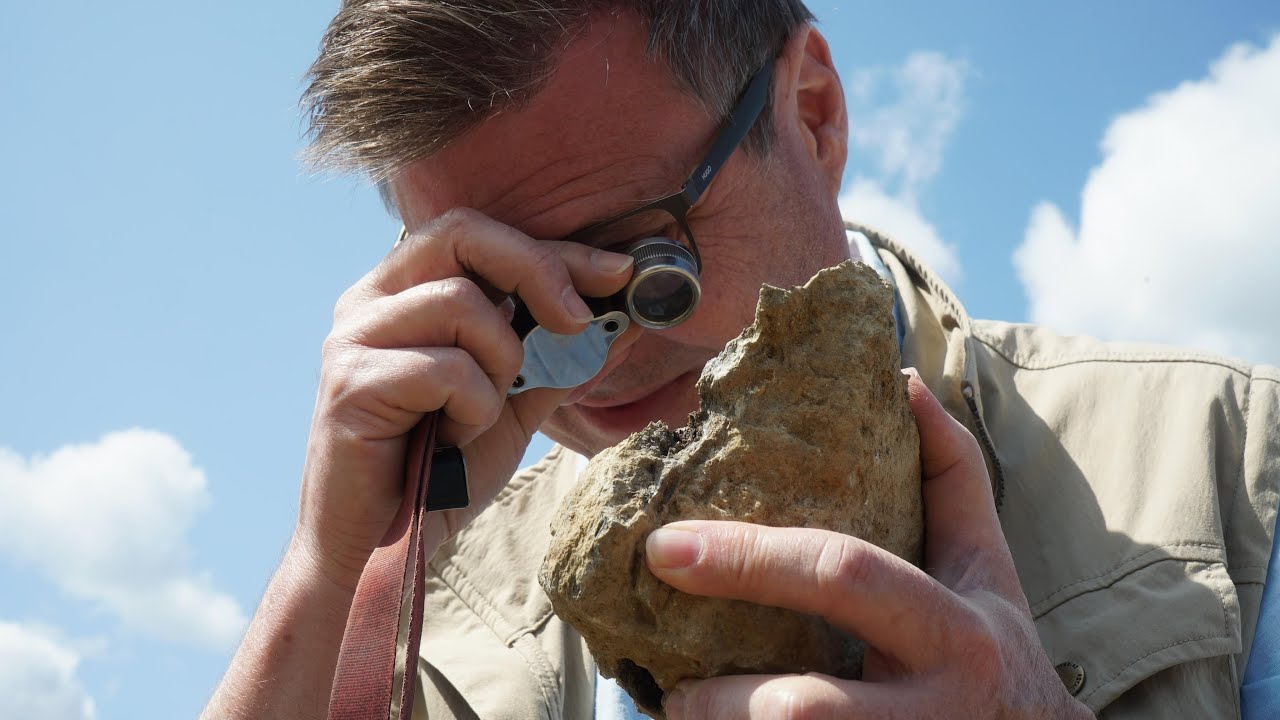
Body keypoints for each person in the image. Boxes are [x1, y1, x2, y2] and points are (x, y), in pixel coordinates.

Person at [202, 2, 1280, 718]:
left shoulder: (1229, 477)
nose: (588, 361)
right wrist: (348, 563)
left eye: (640, 259)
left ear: (810, 117)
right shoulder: (424, 609)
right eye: (504, 296)